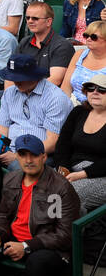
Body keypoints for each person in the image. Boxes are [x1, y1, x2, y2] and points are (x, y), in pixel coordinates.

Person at [0, 135, 81, 276]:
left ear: (44, 157)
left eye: (33, 155)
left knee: (36, 262)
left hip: (49, 248)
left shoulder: (60, 187)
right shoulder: (11, 179)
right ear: (17, 157)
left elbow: (64, 235)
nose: (28, 160)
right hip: (14, 239)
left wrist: (26, 246)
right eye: (23, 155)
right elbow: (3, 215)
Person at [0, 54, 72, 168]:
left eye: (19, 78)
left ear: (34, 76)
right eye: (13, 78)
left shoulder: (56, 98)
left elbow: (53, 142)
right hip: (10, 148)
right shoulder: (10, 92)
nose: (16, 82)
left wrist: (18, 156)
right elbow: (2, 128)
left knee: (17, 166)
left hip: (39, 154)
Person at [56, 73, 106, 213]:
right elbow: (62, 145)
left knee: (66, 196)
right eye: (91, 88)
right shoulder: (79, 112)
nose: (95, 92)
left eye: (102, 89)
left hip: (100, 174)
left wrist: (83, 174)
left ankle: (66, 234)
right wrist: (64, 170)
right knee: (42, 186)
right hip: (72, 169)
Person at [64, 20, 106, 104]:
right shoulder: (79, 54)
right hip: (73, 104)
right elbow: (66, 87)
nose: (89, 39)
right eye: (86, 35)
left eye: (94, 37)